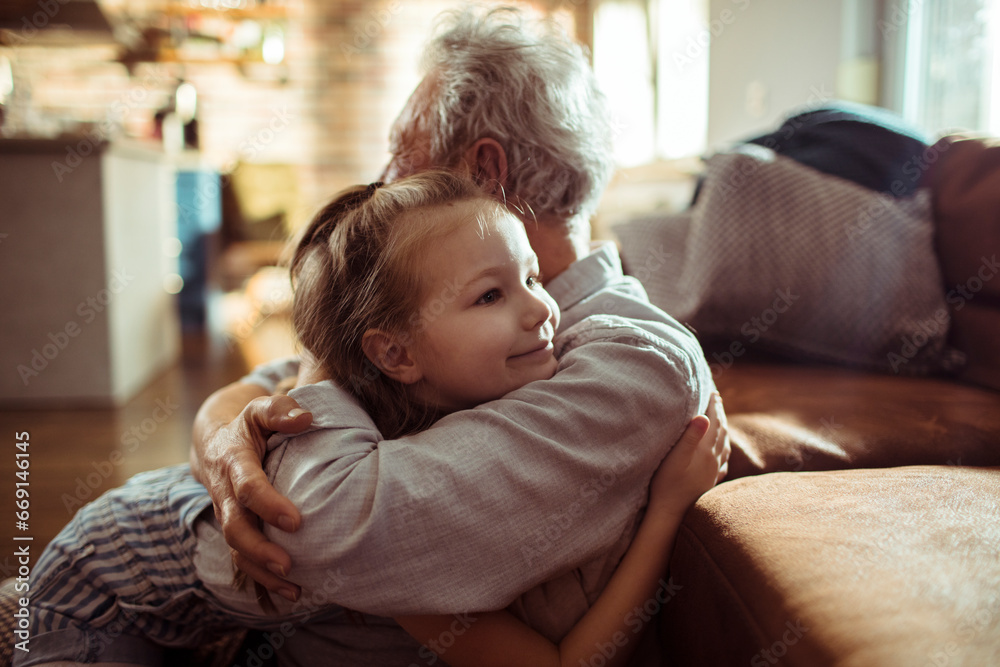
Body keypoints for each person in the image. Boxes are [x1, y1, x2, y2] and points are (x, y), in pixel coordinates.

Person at [20, 172, 726, 666]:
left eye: (532, 277)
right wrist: (665, 512)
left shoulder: (451, 418)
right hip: (97, 590)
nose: (545, 309)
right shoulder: (390, 531)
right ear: (393, 352)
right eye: (490, 295)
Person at [191, 8, 729, 624]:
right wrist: (224, 452)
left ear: (481, 174)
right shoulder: (465, 326)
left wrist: (251, 441)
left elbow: (325, 525)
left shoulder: (632, 365)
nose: (380, 187)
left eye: (398, 160)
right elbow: (264, 388)